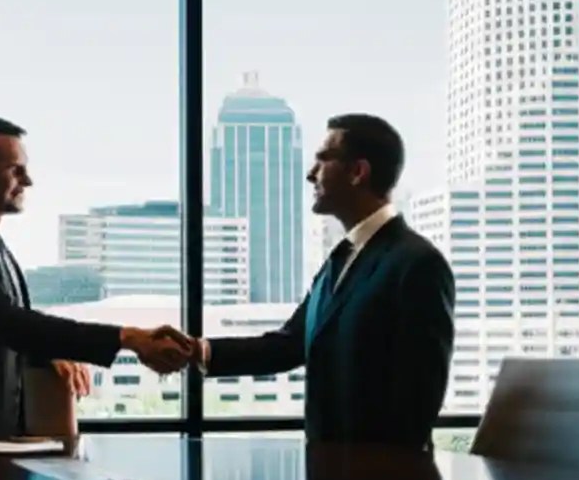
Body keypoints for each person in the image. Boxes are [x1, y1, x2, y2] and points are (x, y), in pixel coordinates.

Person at [0, 116, 192, 440]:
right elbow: (8, 323)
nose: (27, 181)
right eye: (15, 169)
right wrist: (127, 337)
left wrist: (48, 353)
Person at [190, 114, 455, 449]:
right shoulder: (339, 259)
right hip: (330, 476)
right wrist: (195, 351)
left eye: (323, 159)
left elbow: (419, 396)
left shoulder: (417, 263)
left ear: (358, 172)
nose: (310, 174)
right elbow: (289, 344)